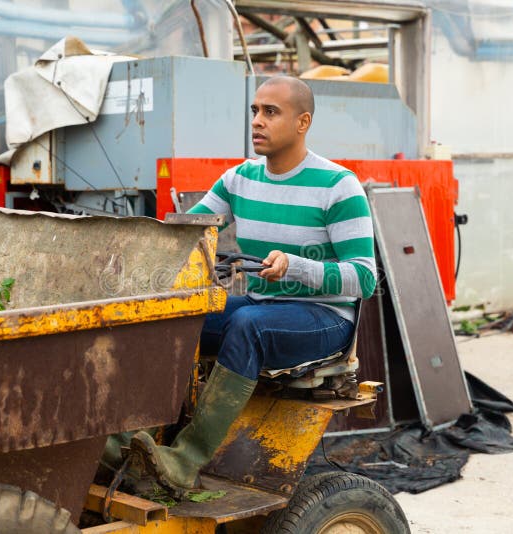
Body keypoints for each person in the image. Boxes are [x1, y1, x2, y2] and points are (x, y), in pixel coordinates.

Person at [128, 76, 377, 496]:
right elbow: (190, 233)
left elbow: (365, 278)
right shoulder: (239, 179)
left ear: (303, 122)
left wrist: (296, 266)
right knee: (174, 316)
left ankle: (185, 461)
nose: (257, 121)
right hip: (263, 305)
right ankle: (130, 440)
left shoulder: (338, 186)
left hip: (326, 320)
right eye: (255, 111)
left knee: (248, 325)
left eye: (271, 112)